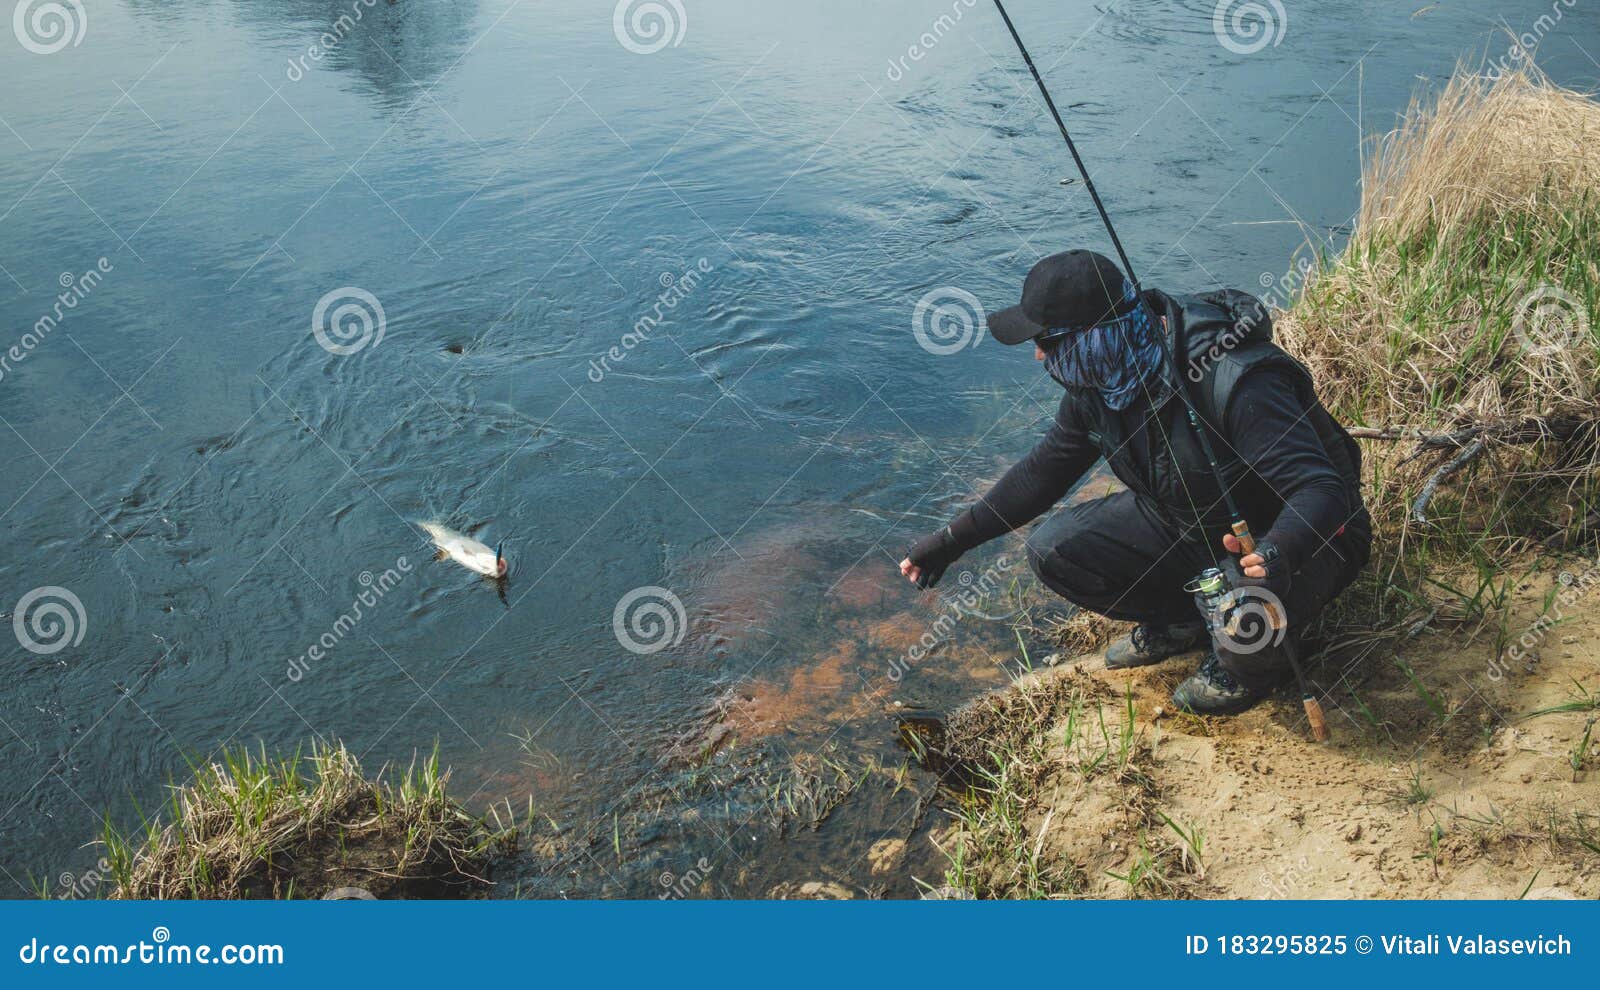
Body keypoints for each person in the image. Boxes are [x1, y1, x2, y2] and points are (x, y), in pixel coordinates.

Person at [899, 250, 1371, 715]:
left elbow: (1321, 490)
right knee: (1055, 550)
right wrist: (951, 540)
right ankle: (1187, 619)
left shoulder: (1233, 375)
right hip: (1188, 524)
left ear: (1090, 338)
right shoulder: (1100, 381)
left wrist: (1277, 553)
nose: (1039, 354)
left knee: (1245, 607)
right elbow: (1040, 474)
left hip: (1304, 539)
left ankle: (1249, 668)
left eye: (1046, 340)